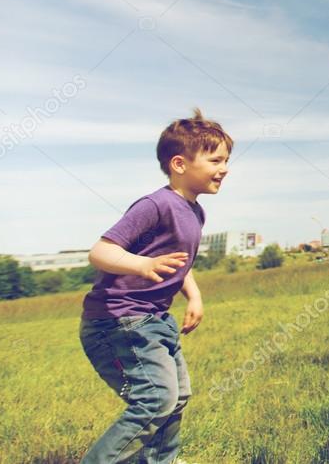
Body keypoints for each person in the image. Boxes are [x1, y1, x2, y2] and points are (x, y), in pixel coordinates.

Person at [79, 109, 232, 463]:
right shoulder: (156, 205)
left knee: (176, 398)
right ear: (179, 163)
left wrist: (193, 294)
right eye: (215, 160)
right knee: (155, 400)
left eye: (226, 160)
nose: (224, 168)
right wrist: (141, 264)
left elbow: (179, 262)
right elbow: (100, 251)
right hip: (118, 321)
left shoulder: (195, 211)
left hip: (154, 319)